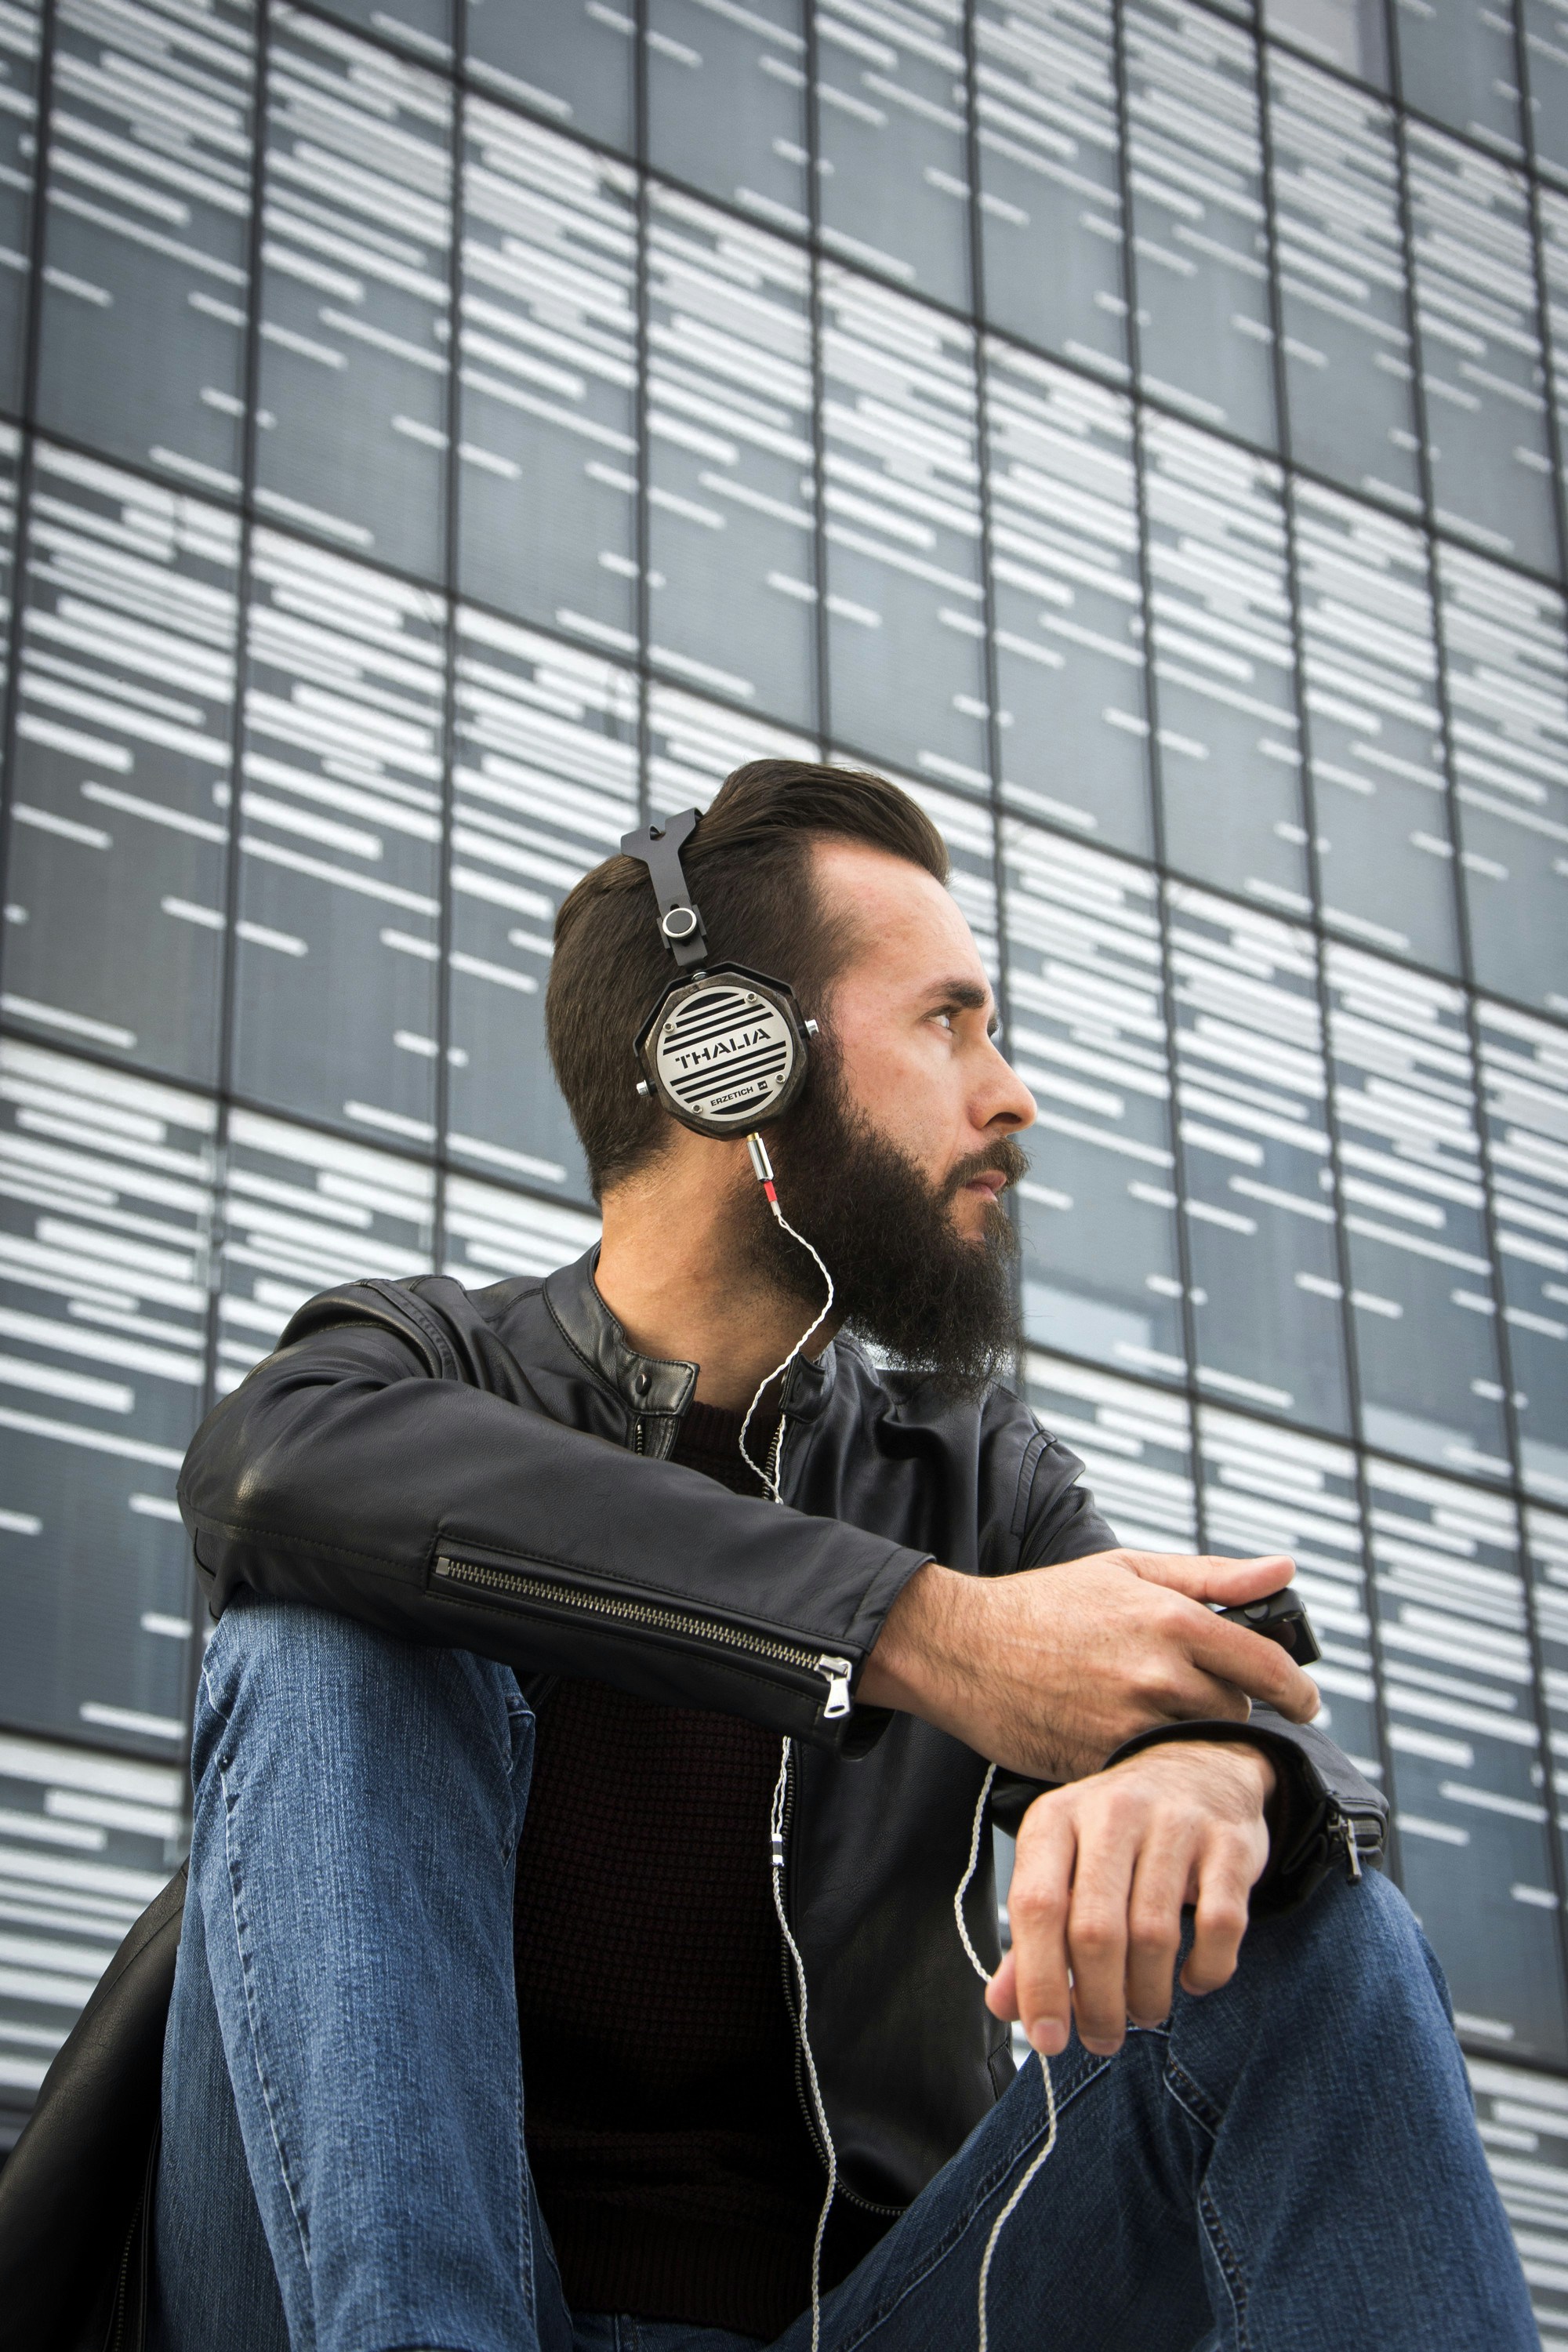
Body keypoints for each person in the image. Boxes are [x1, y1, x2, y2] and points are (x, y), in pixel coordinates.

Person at [154, 760, 1534, 2352]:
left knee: (1329, 1944)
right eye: (949, 1021)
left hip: (855, 2322)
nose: (1010, 1094)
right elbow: (270, 1478)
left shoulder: (972, 1475)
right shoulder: (414, 1370)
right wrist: (917, 1633)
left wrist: (1214, 1781)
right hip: (353, 2293)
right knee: (326, 1628)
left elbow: (1248, 1749)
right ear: (725, 1062)